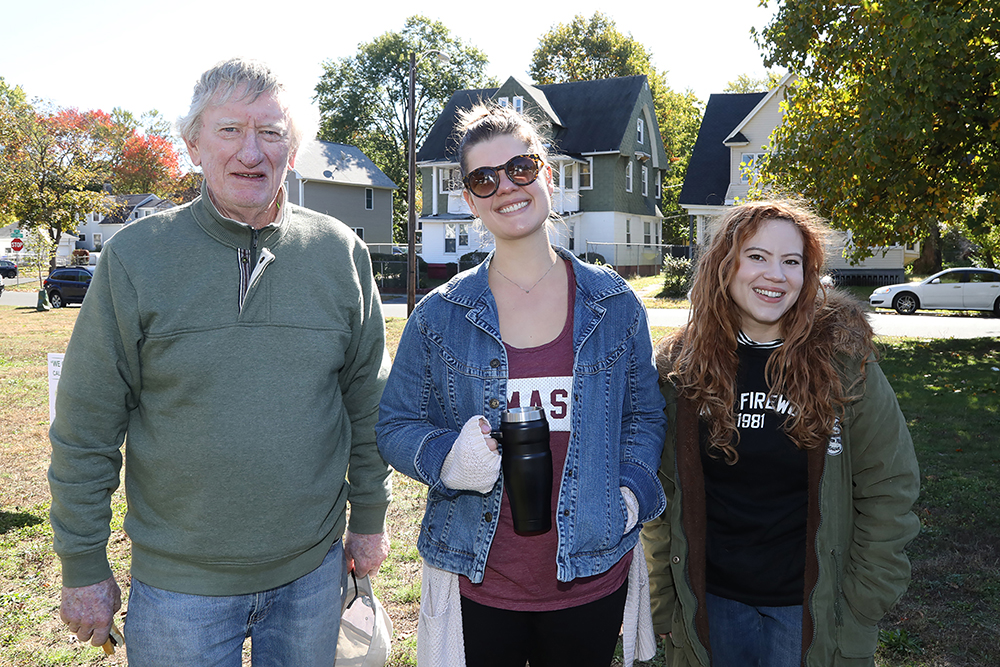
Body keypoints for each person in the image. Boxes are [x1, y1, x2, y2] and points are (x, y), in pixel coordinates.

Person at [48, 58, 392, 665]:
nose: (251, 152)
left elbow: (366, 402)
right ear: (193, 145)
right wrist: (83, 563)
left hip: (312, 575)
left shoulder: (340, 254)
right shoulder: (136, 258)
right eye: (229, 130)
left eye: (272, 132)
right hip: (180, 588)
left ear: (294, 148)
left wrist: (368, 518)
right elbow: (86, 425)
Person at [376, 103, 666, 667]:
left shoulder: (614, 304)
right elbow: (395, 426)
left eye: (521, 168)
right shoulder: (440, 315)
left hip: (592, 571)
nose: (505, 186)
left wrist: (628, 496)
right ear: (468, 200)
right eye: (484, 178)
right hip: (480, 575)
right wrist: (446, 458)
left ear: (548, 175)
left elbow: (644, 416)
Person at [640, 200, 920, 666]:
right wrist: (666, 601)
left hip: (812, 608)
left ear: (807, 275)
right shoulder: (682, 370)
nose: (776, 274)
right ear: (723, 266)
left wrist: (862, 602)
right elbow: (662, 497)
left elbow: (889, 487)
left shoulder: (844, 362)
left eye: (791, 261)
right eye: (757, 256)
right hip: (712, 606)